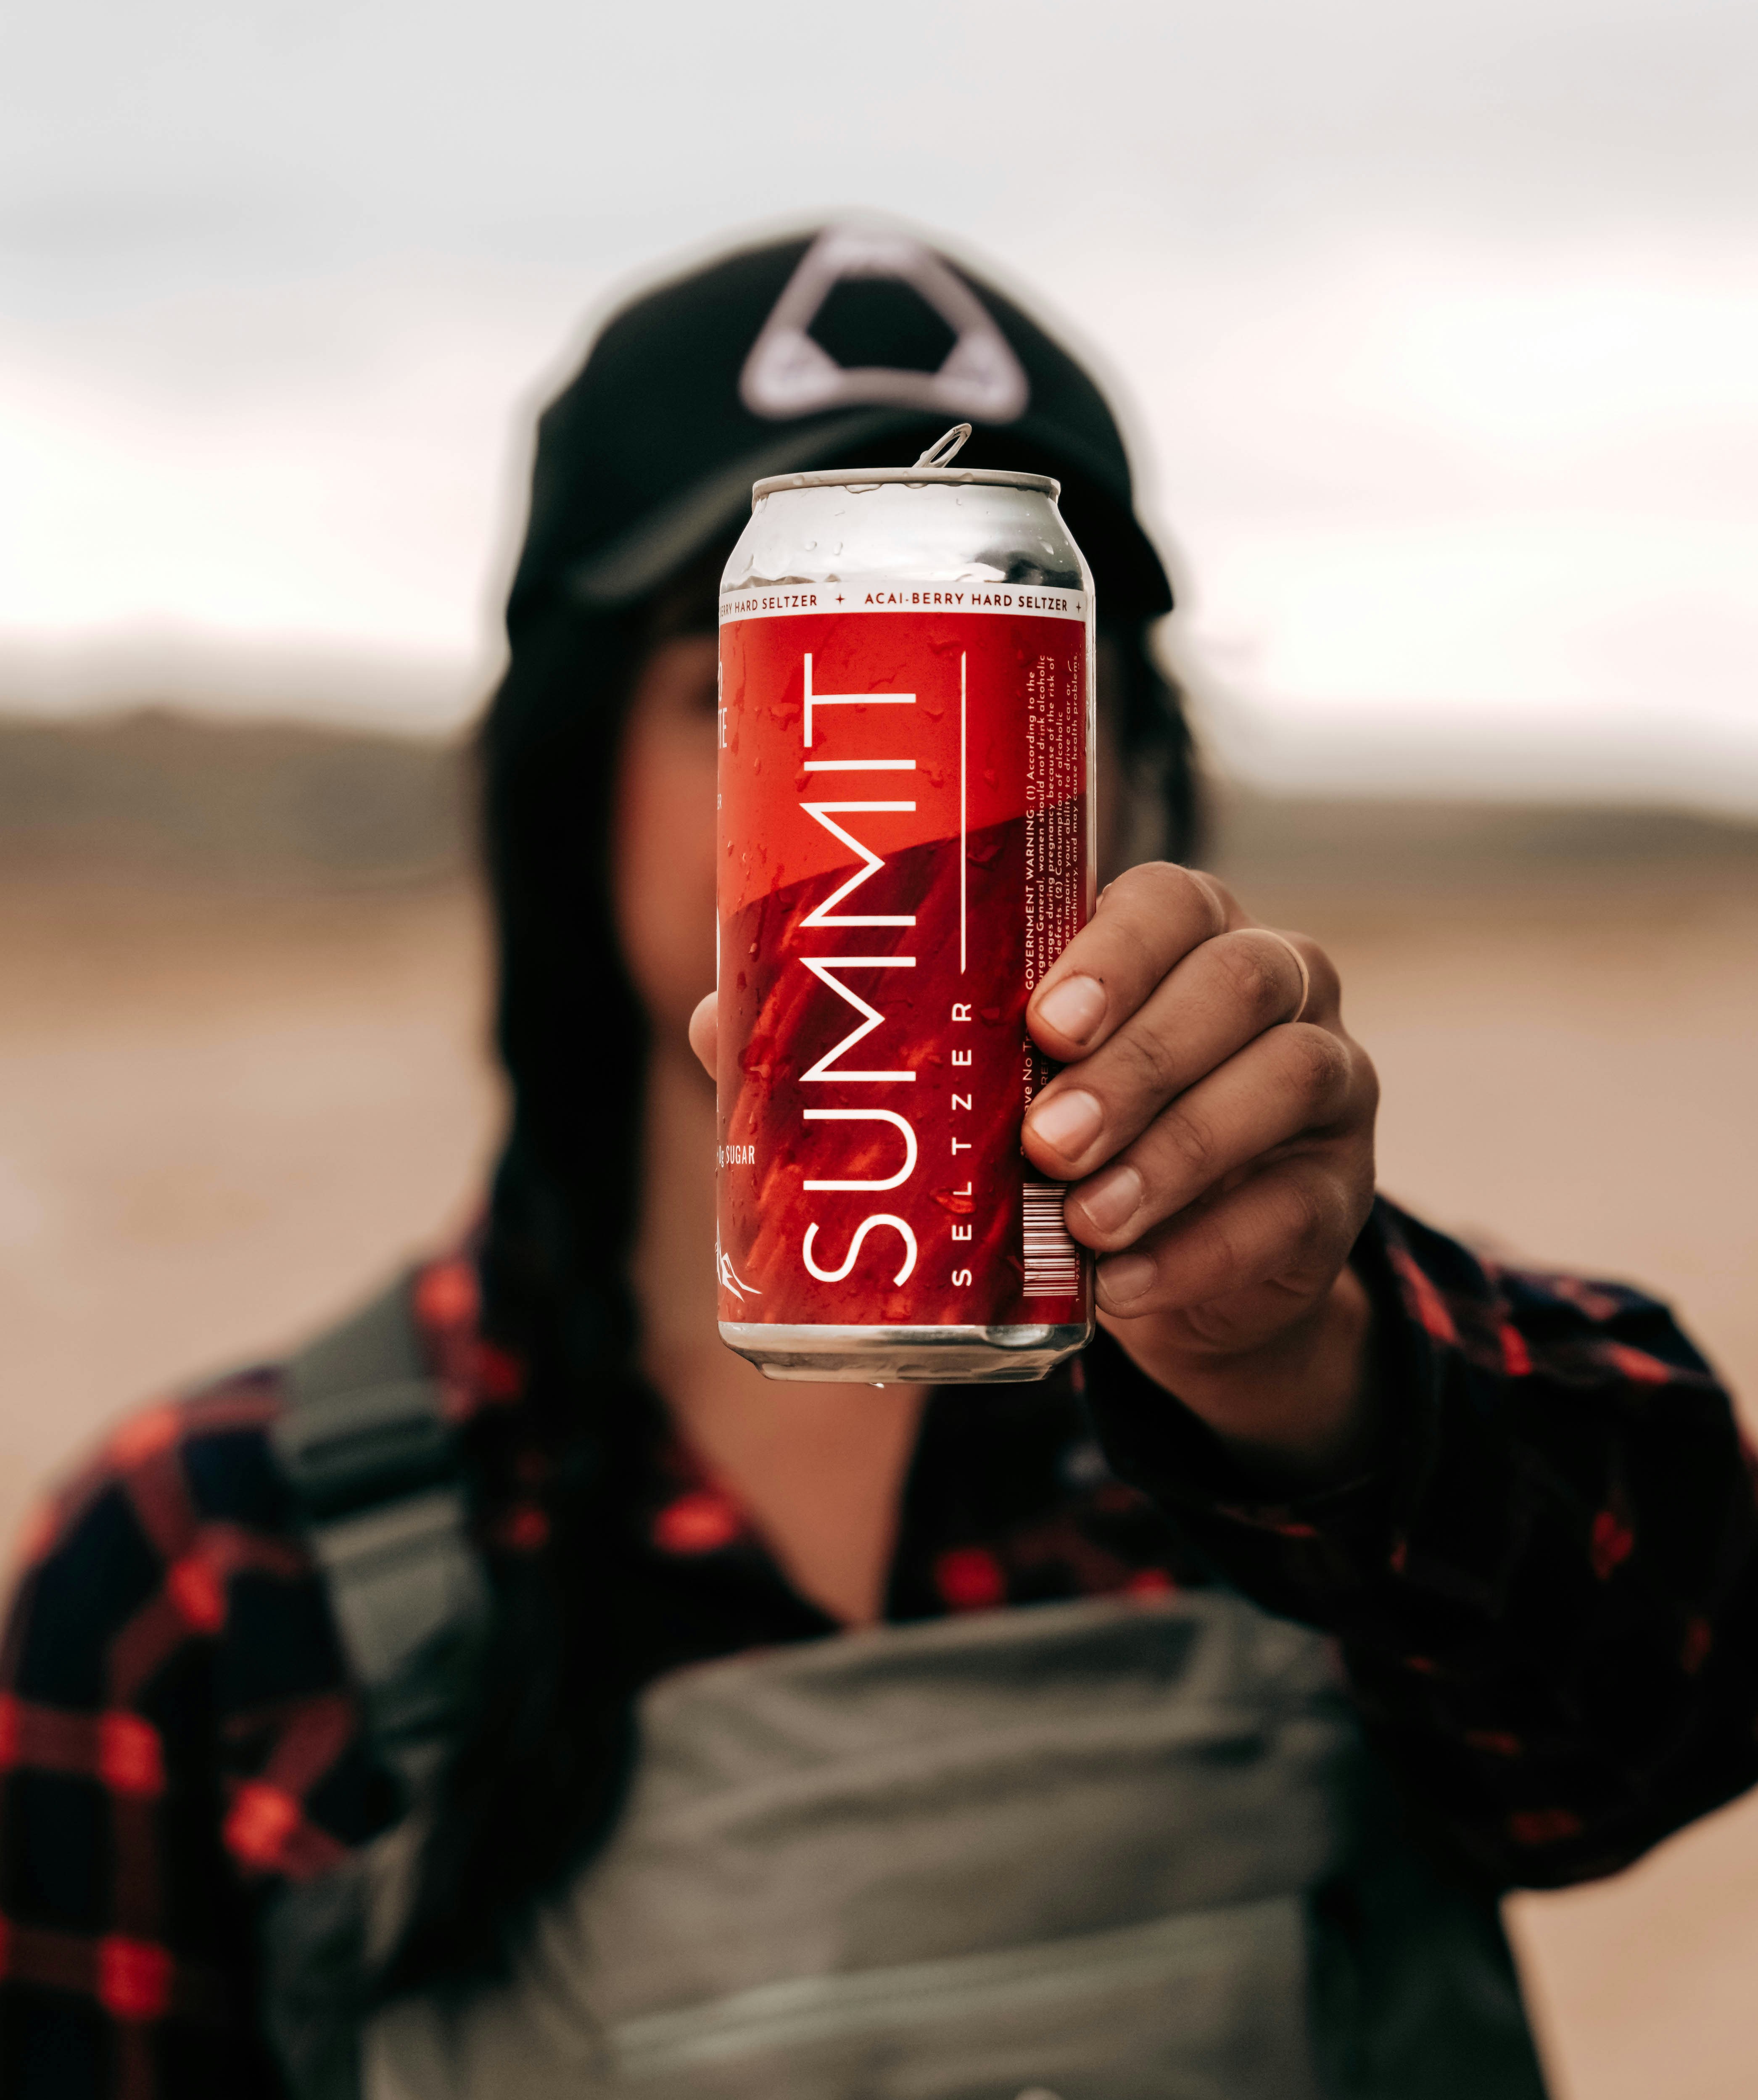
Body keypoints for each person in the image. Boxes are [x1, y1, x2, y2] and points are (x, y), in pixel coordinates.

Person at [1, 224, 1754, 2100]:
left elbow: (1664, 1715)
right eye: (742, 694)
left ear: (1127, 778)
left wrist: (1305, 1373)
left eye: (996, 714)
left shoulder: (1310, 1416)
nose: (885, 836)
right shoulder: (198, 1571)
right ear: (561, 784)